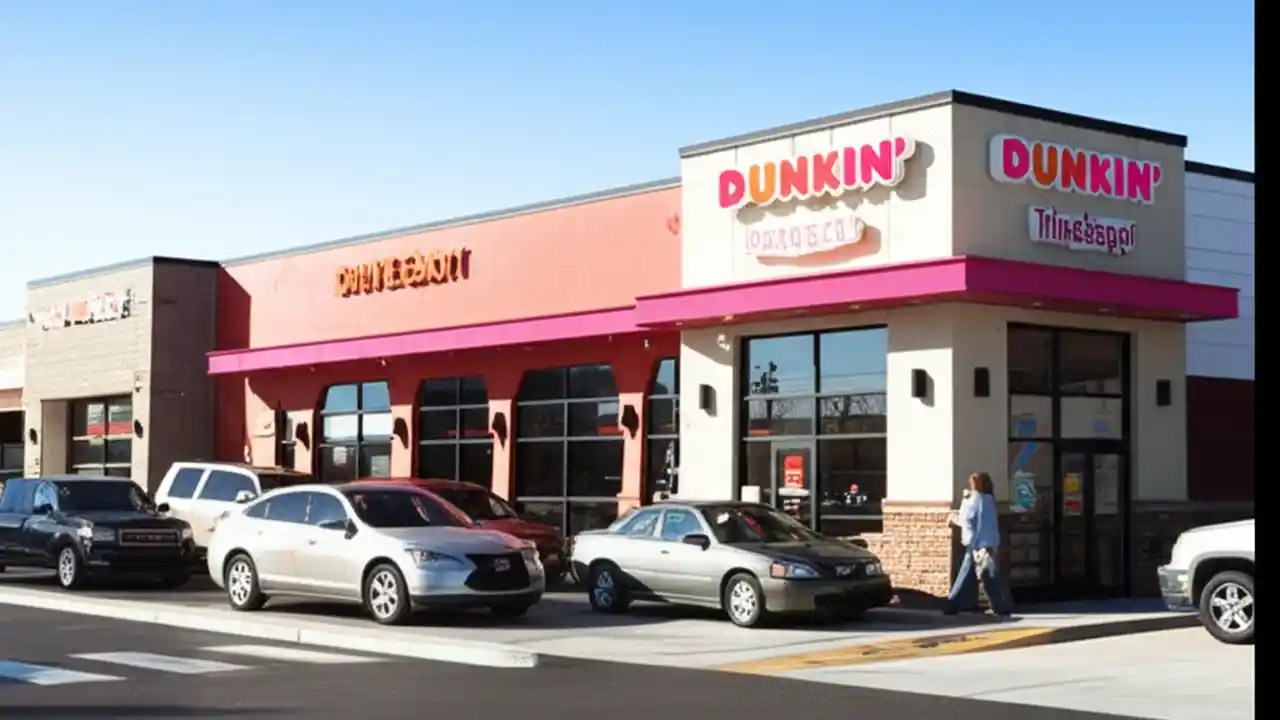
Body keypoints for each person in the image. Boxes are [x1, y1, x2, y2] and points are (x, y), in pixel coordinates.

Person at [943, 472, 1012, 617]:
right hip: (988, 543)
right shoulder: (990, 500)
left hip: (977, 544)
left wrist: (954, 516)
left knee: (974, 575)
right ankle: (998, 606)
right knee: (988, 576)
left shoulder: (975, 500)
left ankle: (952, 604)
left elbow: (966, 519)